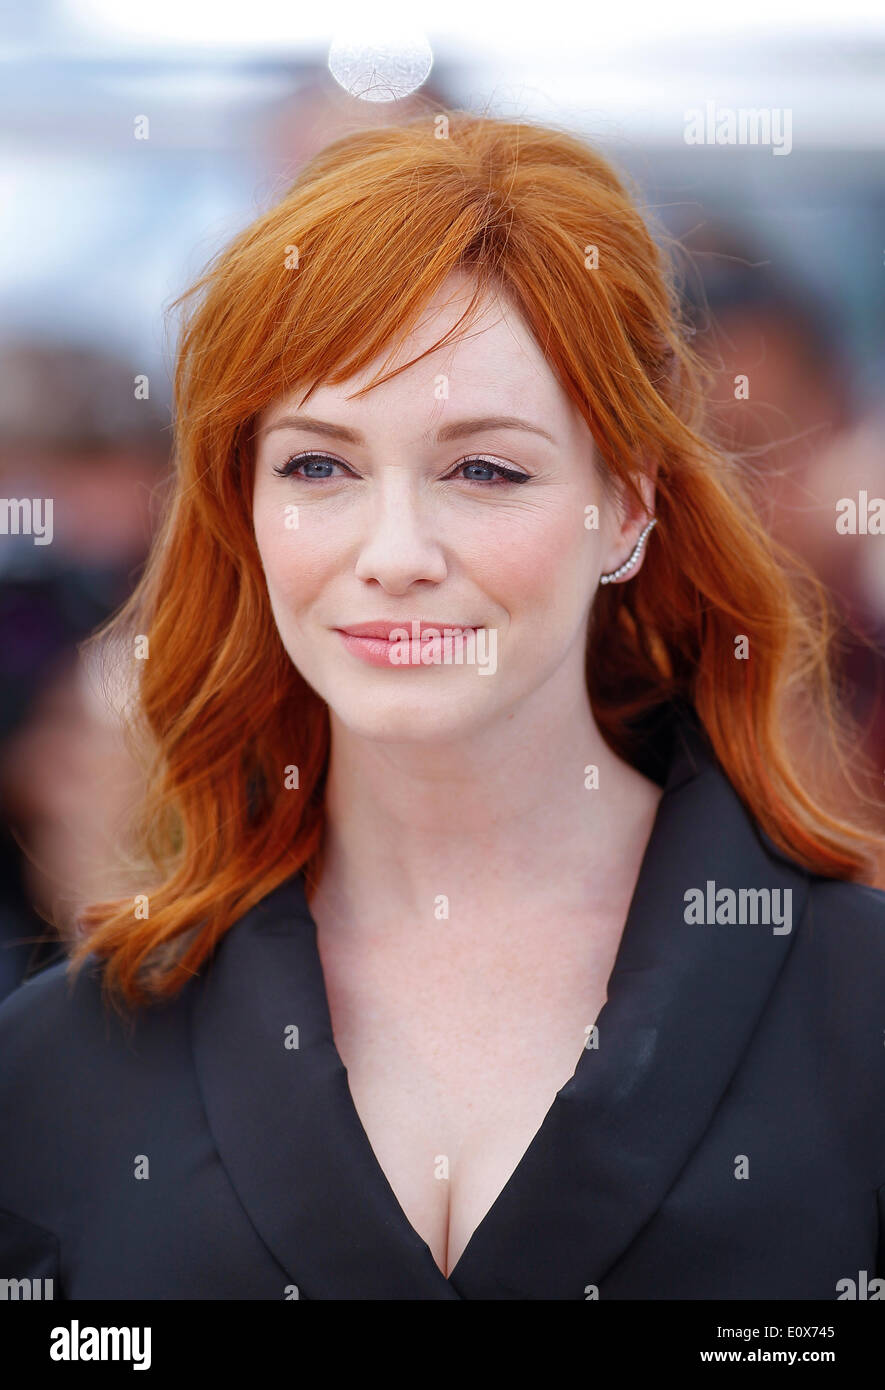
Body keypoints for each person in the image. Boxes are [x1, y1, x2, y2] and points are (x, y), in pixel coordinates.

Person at [0, 110, 883, 1301]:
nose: (396, 550)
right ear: (243, 509)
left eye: (485, 469)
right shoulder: (68, 1055)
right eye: (318, 465)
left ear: (625, 507)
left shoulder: (855, 1005)